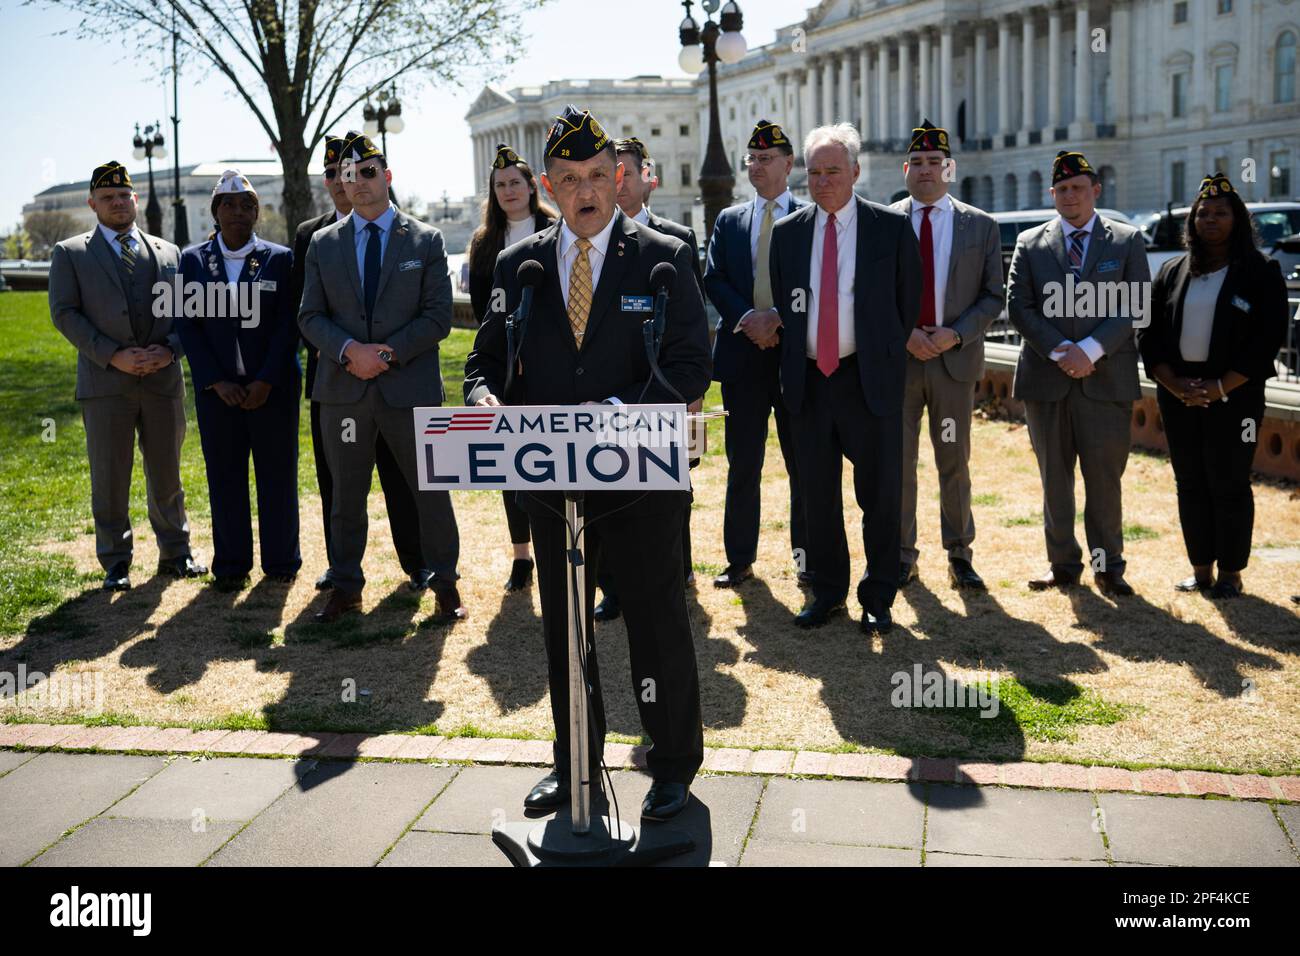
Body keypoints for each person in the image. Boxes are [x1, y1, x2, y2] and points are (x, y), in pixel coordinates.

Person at [464, 105, 710, 821]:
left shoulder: (663, 257)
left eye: (599, 175)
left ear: (620, 176)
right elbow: (484, 357)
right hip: (552, 485)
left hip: (638, 481)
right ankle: (574, 761)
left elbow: (692, 362)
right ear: (550, 184)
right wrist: (484, 399)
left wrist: (616, 408)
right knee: (564, 628)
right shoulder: (523, 263)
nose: (586, 191)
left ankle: (670, 769)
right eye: (569, 179)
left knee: (655, 623)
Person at [298, 131, 465, 625]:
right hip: (344, 390)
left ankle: (445, 584)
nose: (359, 183)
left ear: (388, 176)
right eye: (348, 176)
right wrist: (350, 352)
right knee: (345, 495)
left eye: (369, 172)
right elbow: (309, 316)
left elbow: (438, 318)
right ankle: (345, 585)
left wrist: (385, 355)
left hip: (409, 389)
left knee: (430, 491)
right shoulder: (322, 244)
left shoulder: (425, 240)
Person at [769, 123, 922, 634]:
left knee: (880, 495)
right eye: (813, 172)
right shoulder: (788, 234)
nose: (822, 181)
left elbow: (908, 303)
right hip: (810, 382)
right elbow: (788, 308)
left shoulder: (890, 228)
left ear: (856, 172)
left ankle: (878, 596)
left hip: (867, 379)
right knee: (816, 495)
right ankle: (828, 592)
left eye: (833, 170)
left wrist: (881, 357)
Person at [48, 160, 207, 591]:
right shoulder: (71, 253)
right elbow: (64, 314)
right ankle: (115, 561)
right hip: (106, 384)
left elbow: (186, 313)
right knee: (110, 475)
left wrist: (170, 349)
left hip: (162, 382)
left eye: (124, 196)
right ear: (92, 204)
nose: (118, 203)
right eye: (108, 198)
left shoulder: (169, 252)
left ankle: (176, 551)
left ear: (134, 199)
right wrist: (111, 355)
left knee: (167, 472)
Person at [1137, 172, 1288, 598]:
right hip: (1178, 394)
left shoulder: (1259, 271)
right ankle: (1200, 569)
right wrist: (1174, 384)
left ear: (1237, 220)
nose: (1210, 219)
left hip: (1236, 397)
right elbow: (1149, 335)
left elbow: (1267, 338)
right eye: (1203, 212)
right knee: (1190, 480)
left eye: (1221, 213)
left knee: (1230, 480)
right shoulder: (1171, 271)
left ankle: (1230, 573)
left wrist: (1221, 386)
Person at [1007, 149, 1150, 597]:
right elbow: (1020, 307)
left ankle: (1108, 566)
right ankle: (1063, 564)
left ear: (1096, 191)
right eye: (1062, 189)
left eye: (1078, 188)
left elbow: (1135, 304)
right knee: (1055, 479)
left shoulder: (1126, 241)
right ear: (1052, 194)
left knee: (1105, 479)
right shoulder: (1031, 244)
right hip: (1046, 381)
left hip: (1105, 381)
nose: (1070, 196)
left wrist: (1089, 350)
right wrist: (1058, 350)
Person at [591, 135, 706, 622]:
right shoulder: (583, 239)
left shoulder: (676, 241)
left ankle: (675, 574)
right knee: (606, 489)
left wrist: (691, 398)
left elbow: (692, 328)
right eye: (607, 173)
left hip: (663, 395)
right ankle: (613, 587)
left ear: (644, 179)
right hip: (607, 392)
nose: (617, 184)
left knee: (669, 486)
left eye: (625, 174)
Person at [890, 120, 1003, 591]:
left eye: (934, 163)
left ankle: (960, 554)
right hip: (901, 363)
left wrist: (955, 334)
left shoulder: (980, 225)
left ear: (949, 169)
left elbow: (994, 295)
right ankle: (901, 555)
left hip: (953, 363)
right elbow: (871, 293)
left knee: (953, 460)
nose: (925, 171)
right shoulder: (885, 222)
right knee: (898, 462)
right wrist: (904, 335)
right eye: (917, 163)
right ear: (905, 169)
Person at [174, 169, 301, 590]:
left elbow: (288, 326)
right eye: (228, 204)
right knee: (225, 477)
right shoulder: (191, 261)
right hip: (219, 395)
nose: (237, 212)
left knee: (277, 475)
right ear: (215, 211)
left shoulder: (279, 259)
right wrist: (214, 380)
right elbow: (187, 325)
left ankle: (282, 561)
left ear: (256, 213)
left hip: (273, 391)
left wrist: (265, 380)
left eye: (246, 204)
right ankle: (231, 563)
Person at [704, 119, 809, 591]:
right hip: (743, 358)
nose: (757, 166)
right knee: (743, 464)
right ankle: (739, 559)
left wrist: (778, 320)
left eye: (766, 158)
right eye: (752, 159)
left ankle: (808, 558)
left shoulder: (810, 218)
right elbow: (716, 278)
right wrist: (750, 317)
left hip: (794, 358)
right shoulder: (729, 220)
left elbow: (814, 283)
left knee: (802, 464)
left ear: (789, 164)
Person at [466, 142, 557, 592]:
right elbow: (486, 311)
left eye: (515, 183)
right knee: (512, 461)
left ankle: (558, 545)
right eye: (499, 185)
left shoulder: (555, 228)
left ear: (530, 187)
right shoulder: (484, 244)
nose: (508, 191)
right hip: (505, 367)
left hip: (553, 363)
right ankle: (522, 555)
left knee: (553, 455)